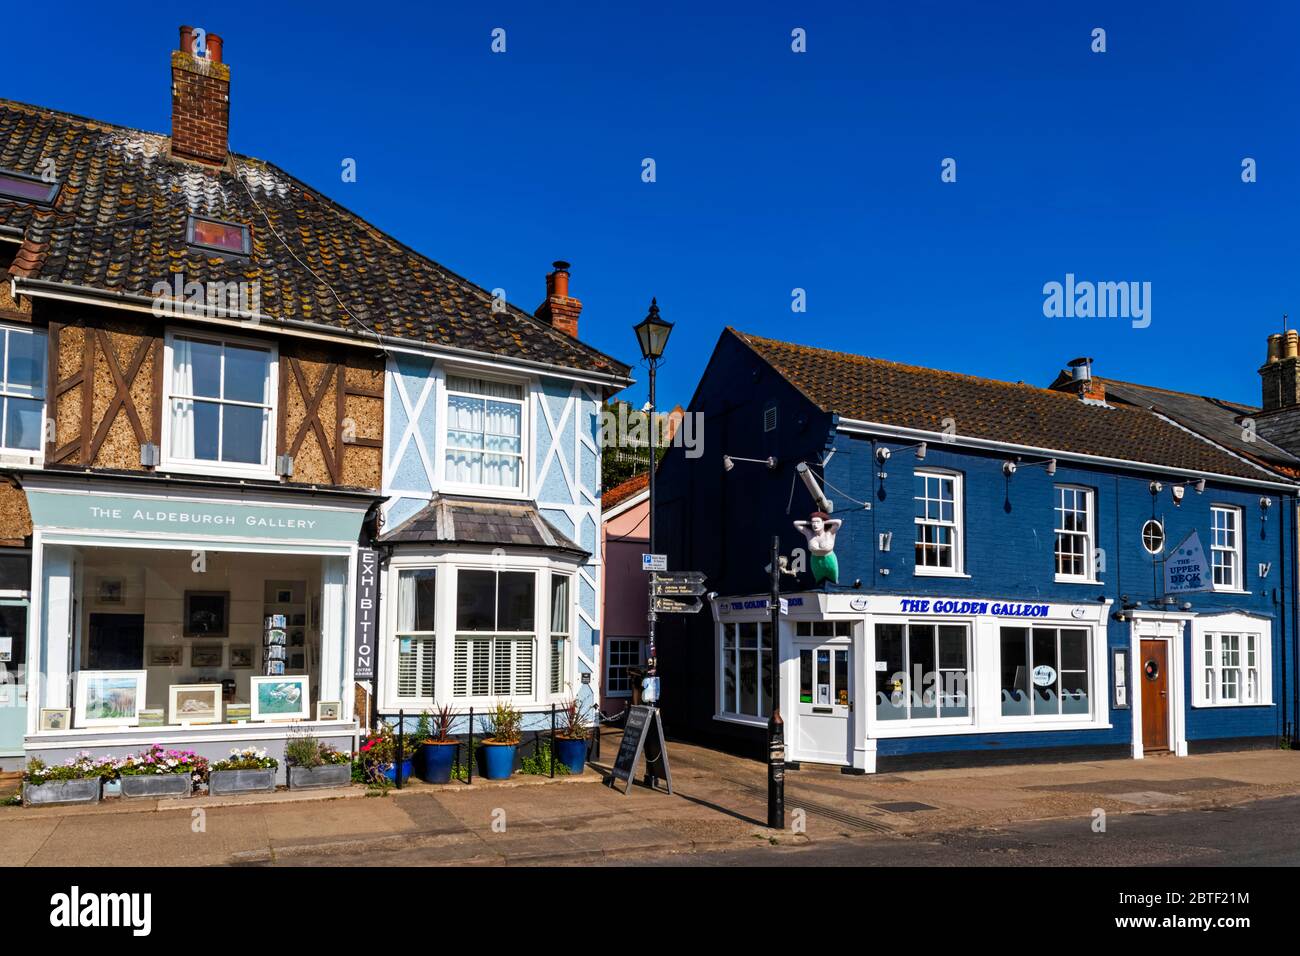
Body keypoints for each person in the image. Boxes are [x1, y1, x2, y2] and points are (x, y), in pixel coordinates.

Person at [793, 511, 843, 585]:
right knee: (818, 579)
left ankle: (834, 580)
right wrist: (809, 522)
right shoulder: (809, 534)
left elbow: (838, 522)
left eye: (817, 522)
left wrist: (824, 522)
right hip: (815, 560)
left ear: (823, 523)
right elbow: (796, 523)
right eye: (813, 522)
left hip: (829, 558)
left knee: (834, 578)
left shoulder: (830, 533)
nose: (815, 525)